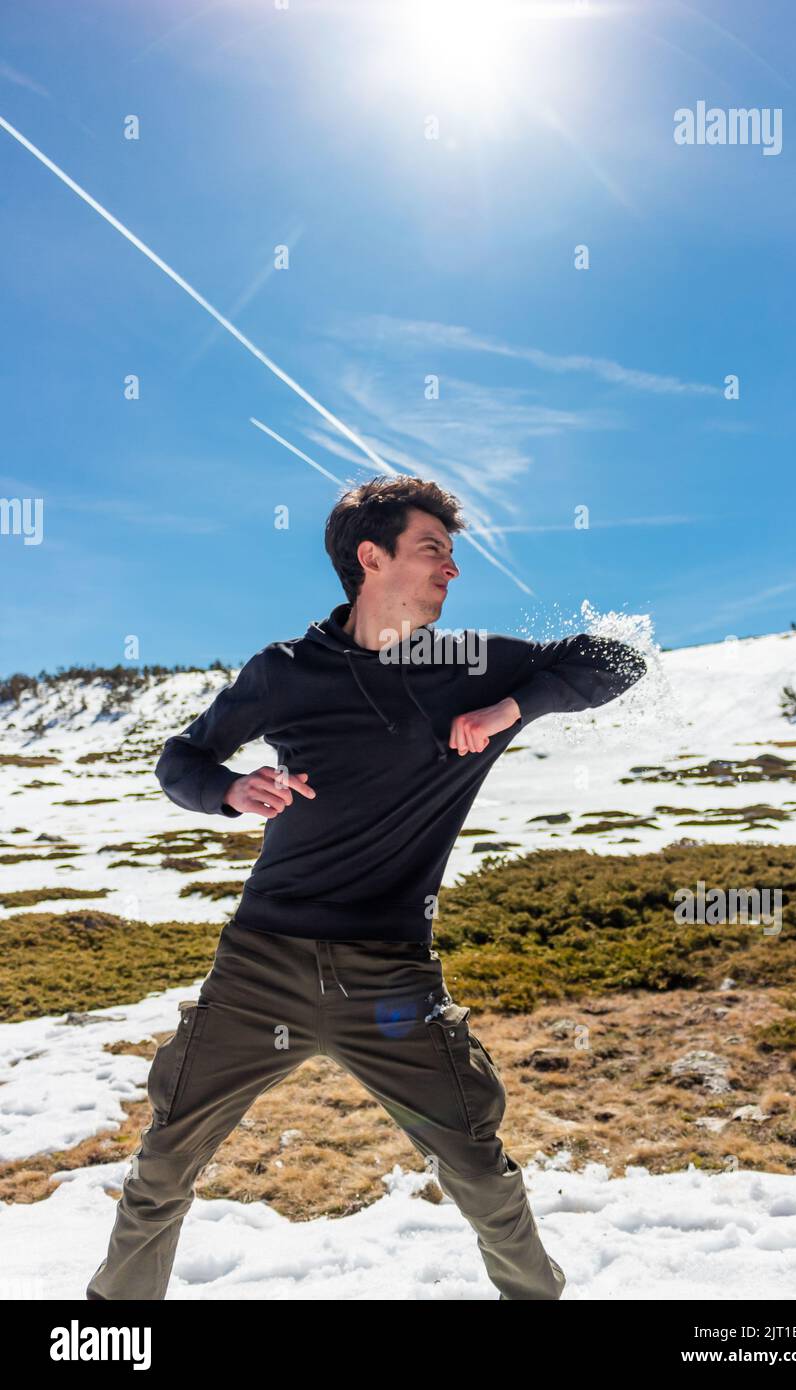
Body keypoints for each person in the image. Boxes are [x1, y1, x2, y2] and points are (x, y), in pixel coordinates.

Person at [86, 475, 647, 1301]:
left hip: (393, 980)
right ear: (371, 557)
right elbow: (182, 760)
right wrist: (232, 791)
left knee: (479, 1173)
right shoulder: (284, 672)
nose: (451, 571)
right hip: (258, 970)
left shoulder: (470, 665)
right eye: (434, 551)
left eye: (452, 556)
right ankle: (111, 1330)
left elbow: (617, 658)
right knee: (164, 1164)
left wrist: (507, 712)